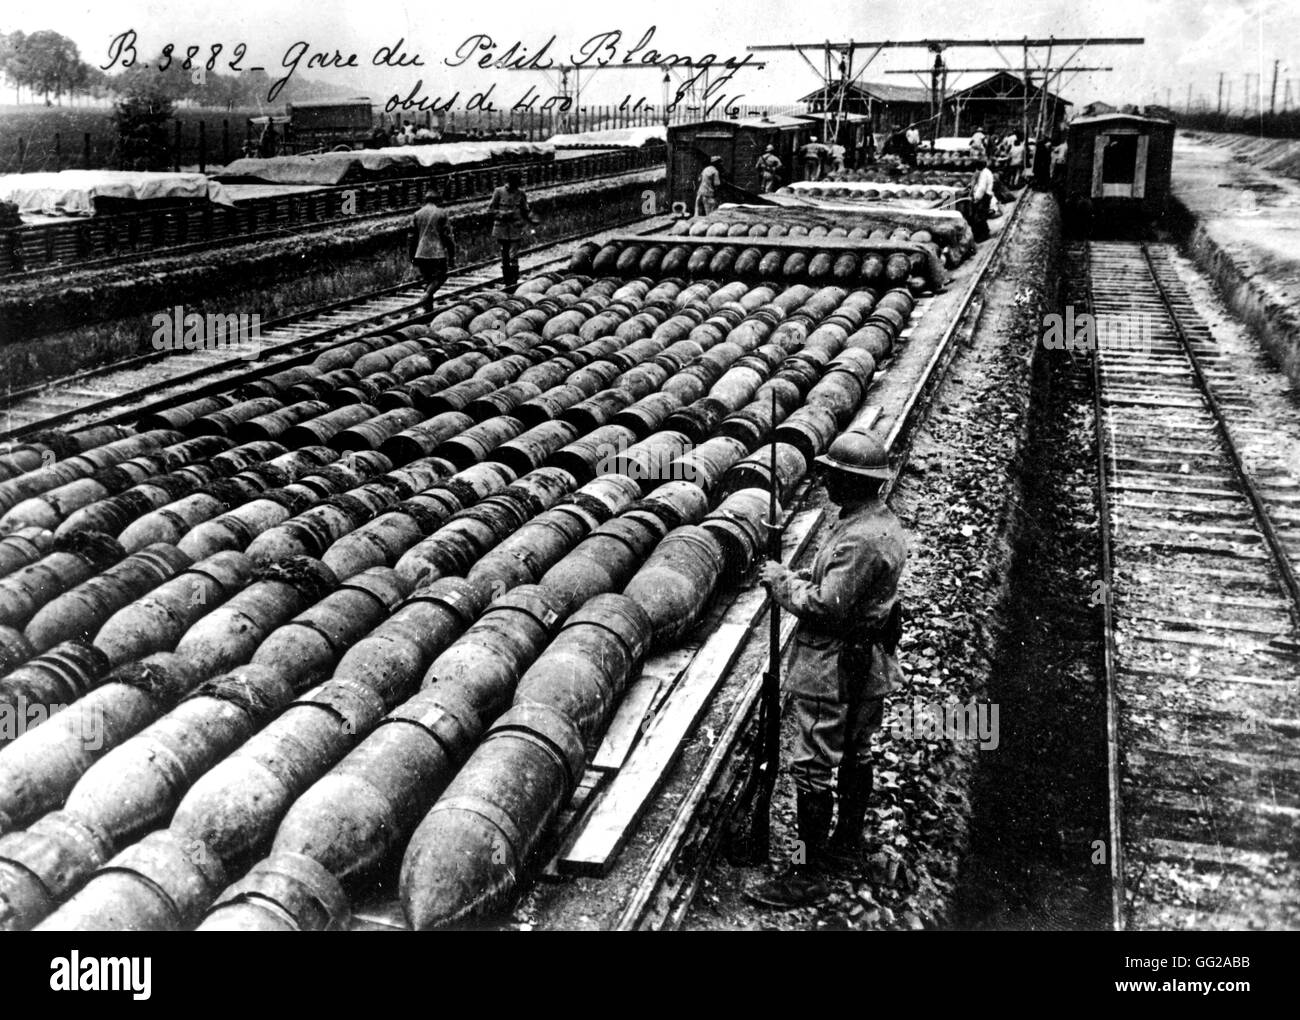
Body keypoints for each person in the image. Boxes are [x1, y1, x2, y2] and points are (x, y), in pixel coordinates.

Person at [745, 431, 909, 909]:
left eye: (833, 474)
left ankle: (807, 872)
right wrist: (797, 579)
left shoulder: (860, 538)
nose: (825, 479)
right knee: (857, 753)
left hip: (833, 667)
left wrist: (781, 585)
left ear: (852, 480)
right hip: (867, 661)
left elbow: (828, 604)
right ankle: (845, 846)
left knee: (812, 766)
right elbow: (837, 587)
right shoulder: (876, 523)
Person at [488, 169, 538, 290]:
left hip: (516, 228)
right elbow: (490, 210)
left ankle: (514, 283)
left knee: (513, 256)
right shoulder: (498, 192)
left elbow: (525, 210)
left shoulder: (521, 193)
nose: (516, 185)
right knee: (505, 256)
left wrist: (533, 220)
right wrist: (502, 214)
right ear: (509, 181)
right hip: (502, 229)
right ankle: (507, 283)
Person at [409, 188, 456, 312]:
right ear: (437, 200)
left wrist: (412, 257)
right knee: (441, 276)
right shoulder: (441, 213)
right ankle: (426, 296)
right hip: (437, 252)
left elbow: (412, 238)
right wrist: (452, 255)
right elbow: (447, 236)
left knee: (428, 279)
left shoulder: (417, 214)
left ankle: (428, 309)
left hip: (421, 252)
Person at [969, 156, 997, 242]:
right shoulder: (987, 172)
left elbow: (982, 188)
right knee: (981, 216)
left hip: (984, 197)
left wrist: (976, 198)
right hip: (986, 195)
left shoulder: (984, 174)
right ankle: (986, 232)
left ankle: (983, 235)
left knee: (979, 217)